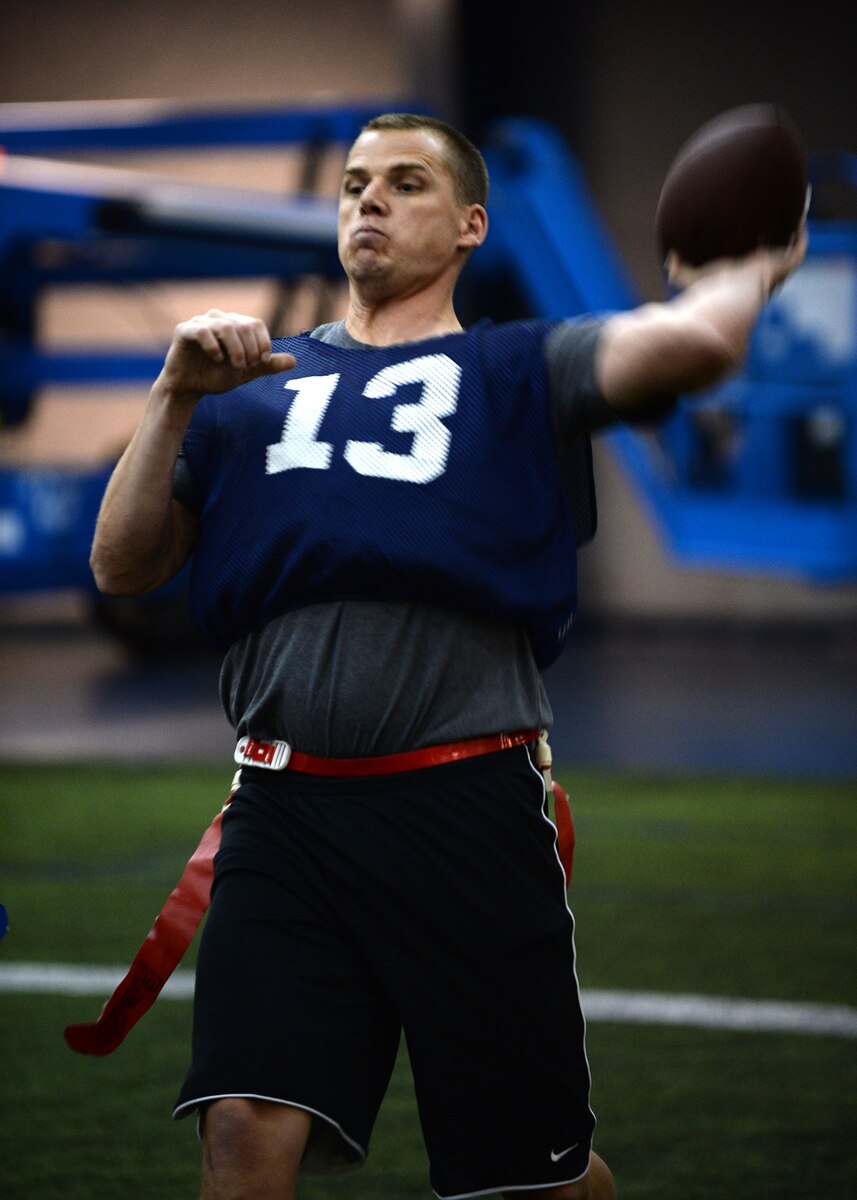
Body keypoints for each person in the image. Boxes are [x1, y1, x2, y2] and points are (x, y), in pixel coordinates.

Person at [89, 112, 806, 1200]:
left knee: (530, 1180)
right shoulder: (243, 395)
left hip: (463, 809)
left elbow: (689, 346)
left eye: (405, 184)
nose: (367, 200)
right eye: (353, 183)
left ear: (471, 225)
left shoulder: (516, 366)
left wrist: (743, 272)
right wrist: (171, 394)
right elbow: (123, 566)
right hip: (284, 815)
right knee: (240, 1131)